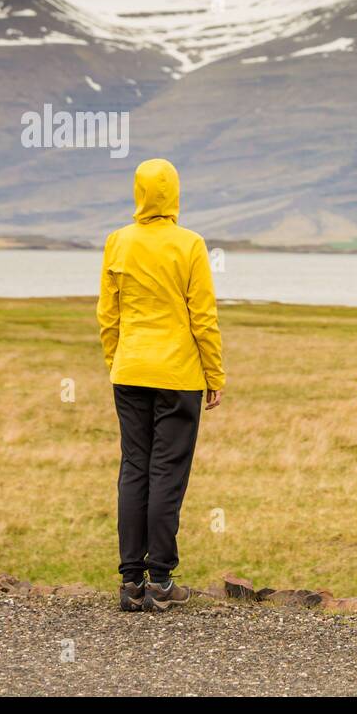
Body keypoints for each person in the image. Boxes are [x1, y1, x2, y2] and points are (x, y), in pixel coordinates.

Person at [96, 158, 224, 613]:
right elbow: (202, 317)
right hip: (178, 376)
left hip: (129, 371)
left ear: (138, 192)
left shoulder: (118, 242)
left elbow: (107, 315)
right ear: (174, 194)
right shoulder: (189, 244)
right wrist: (215, 374)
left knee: (134, 468)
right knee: (166, 472)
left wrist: (118, 360)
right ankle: (162, 582)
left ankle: (130, 582)